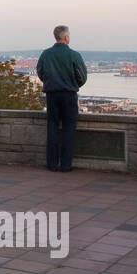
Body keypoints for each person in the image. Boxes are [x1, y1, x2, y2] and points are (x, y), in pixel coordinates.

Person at [36, 25, 88, 172]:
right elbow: (82, 77)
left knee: (52, 127)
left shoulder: (46, 54)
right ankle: (66, 165)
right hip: (69, 95)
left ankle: (51, 164)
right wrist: (73, 84)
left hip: (52, 95)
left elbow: (40, 72)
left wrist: (50, 82)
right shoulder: (74, 55)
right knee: (68, 129)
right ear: (66, 37)